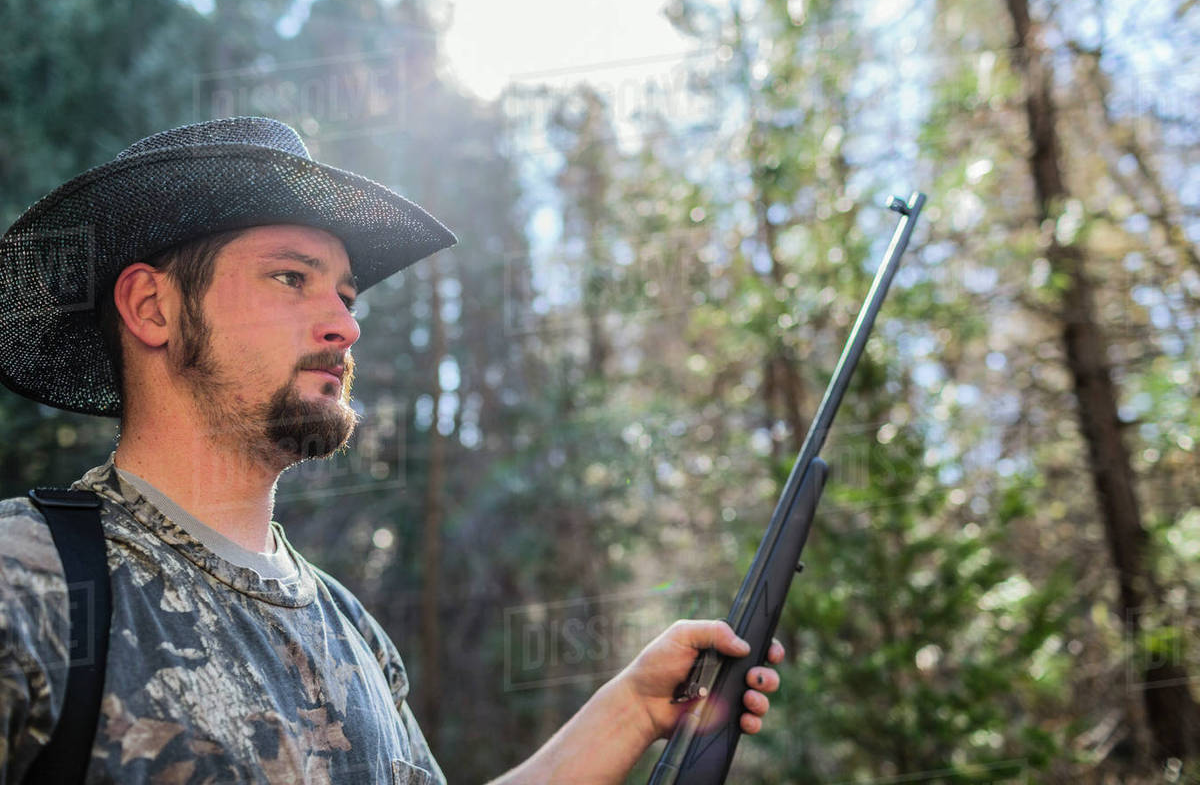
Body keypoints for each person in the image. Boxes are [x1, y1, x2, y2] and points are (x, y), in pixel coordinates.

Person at [0, 117, 785, 784]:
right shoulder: (26, 581)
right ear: (152, 306)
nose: (347, 325)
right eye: (290, 278)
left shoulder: (349, 627)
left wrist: (633, 706)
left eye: (345, 293)